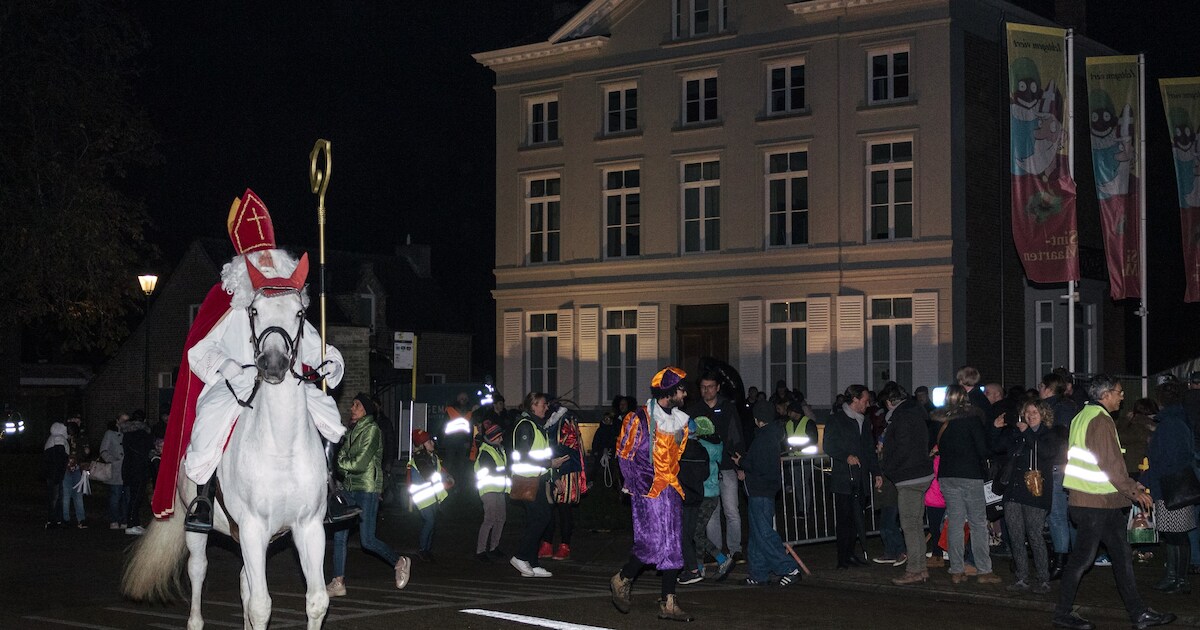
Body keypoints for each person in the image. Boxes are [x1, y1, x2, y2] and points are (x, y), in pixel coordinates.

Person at [151, 189, 354, 531]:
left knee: (328, 418)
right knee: (206, 431)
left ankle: (330, 490)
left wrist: (331, 361)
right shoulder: (227, 303)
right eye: (257, 257)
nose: (265, 261)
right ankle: (202, 499)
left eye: (268, 254)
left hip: (286, 381)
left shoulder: (285, 301)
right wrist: (228, 367)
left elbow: (311, 345)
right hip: (235, 384)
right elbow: (199, 350)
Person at [1052, 374, 1175, 630]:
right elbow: (1108, 463)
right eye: (1119, 391)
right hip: (1094, 504)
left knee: (1121, 557)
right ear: (1105, 394)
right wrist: (1133, 490)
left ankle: (1138, 613)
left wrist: (1132, 486)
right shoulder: (1099, 420)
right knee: (1082, 561)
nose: (1122, 396)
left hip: (1097, 502)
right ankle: (1062, 614)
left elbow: (1101, 463)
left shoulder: (1083, 416)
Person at [610, 366, 694, 622]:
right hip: (647, 490)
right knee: (651, 544)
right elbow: (624, 453)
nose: (685, 393)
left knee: (673, 545)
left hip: (670, 490)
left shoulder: (681, 422)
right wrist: (634, 484)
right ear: (669, 391)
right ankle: (622, 578)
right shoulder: (639, 418)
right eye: (681, 389)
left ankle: (668, 601)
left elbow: (676, 456)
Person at [327, 393, 410, 597]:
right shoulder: (351, 431)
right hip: (349, 488)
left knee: (367, 540)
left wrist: (341, 464)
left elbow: (357, 463)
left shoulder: (373, 430)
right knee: (340, 536)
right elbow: (343, 456)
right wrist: (343, 463)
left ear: (365, 410)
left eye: (356, 405)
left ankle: (399, 561)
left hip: (367, 489)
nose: (351, 408)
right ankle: (338, 582)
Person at [936, 384, 1001, 584]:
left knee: (955, 522)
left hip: (947, 475)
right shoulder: (972, 419)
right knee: (978, 523)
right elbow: (983, 450)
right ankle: (984, 570)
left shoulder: (940, 421)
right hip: (970, 475)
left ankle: (956, 569)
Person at [993, 398, 1057, 594]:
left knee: (1035, 535)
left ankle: (1044, 578)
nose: (1030, 415)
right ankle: (1021, 577)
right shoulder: (1016, 432)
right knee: (1015, 536)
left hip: (1035, 493)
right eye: (1027, 412)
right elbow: (995, 448)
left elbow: (1044, 453)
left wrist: (1026, 432)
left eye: (1034, 412)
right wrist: (995, 428)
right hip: (1013, 492)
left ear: (1043, 415)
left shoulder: (1049, 434)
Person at [735, 400, 801, 587]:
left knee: (763, 533)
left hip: (760, 490)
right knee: (757, 534)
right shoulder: (771, 435)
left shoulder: (763, 438)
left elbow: (757, 464)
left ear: (758, 419)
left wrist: (742, 463)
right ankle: (758, 573)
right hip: (763, 489)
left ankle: (789, 568)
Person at [1142, 380, 1197, 595]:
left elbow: (1163, 458)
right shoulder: (1177, 420)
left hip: (1171, 486)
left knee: (1176, 535)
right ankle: (1175, 577)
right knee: (1175, 534)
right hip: (1174, 484)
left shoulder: (1170, 423)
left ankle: (1177, 578)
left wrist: (1147, 479)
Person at [686, 371, 745, 565]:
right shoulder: (694, 410)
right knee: (711, 513)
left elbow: (737, 434)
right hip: (705, 470)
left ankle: (735, 549)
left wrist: (739, 459)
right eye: (703, 387)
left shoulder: (727, 408)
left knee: (731, 510)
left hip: (727, 466)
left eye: (710, 386)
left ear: (718, 387)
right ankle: (716, 552)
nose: (706, 390)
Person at [879, 383, 935, 586]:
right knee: (916, 524)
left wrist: (888, 467)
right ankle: (921, 568)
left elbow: (900, 448)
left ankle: (914, 570)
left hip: (909, 476)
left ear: (889, 402)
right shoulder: (916, 413)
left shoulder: (901, 418)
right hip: (921, 473)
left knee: (909, 525)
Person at [823, 384, 880, 568]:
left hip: (860, 477)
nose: (868, 404)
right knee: (844, 519)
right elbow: (829, 445)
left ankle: (851, 553)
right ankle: (843, 557)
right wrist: (845, 456)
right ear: (854, 399)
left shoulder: (864, 421)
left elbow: (869, 449)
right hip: (843, 479)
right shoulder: (837, 420)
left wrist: (876, 472)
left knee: (856, 518)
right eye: (865, 400)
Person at [509, 392, 563, 578]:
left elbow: (542, 456)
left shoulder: (536, 426)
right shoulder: (526, 426)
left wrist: (553, 476)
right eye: (543, 404)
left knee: (539, 519)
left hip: (537, 479)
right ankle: (521, 556)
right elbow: (524, 456)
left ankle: (532, 562)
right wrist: (550, 465)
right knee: (542, 517)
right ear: (532, 405)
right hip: (526, 480)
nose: (546, 407)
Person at [1041, 371, 1080, 579]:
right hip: (1067, 464)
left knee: (1057, 515)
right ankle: (1074, 558)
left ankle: (1061, 561)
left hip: (1056, 464)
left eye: (1041, 386)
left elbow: (1057, 437)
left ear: (1048, 388)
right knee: (1069, 514)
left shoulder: (1053, 409)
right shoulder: (1071, 406)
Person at [539, 402, 586, 561]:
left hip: (566, 470)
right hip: (551, 469)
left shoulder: (565, 420)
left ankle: (565, 545)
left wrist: (549, 456)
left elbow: (570, 445)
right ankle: (547, 543)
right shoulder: (548, 423)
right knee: (548, 508)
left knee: (564, 509)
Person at [408, 428, 450, 562]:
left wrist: (446, 476)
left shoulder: (432, 457)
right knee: (430, 521)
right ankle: (422, 549)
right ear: (421, 445)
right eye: (428, 441)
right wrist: (444, 478)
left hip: (431, 495)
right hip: (423, 496)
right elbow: (429, 475)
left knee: (431, 523)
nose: (432, 443)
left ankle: (426, 550)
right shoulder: (420, 459)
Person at [474, 419, 508, 562]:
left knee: (500, 518)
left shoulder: (497, 449)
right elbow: (491, 472)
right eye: (499, 436)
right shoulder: (486, 453)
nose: (502, 438)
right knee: (490, 520)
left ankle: (494, 547)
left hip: (498, 489)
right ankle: (481, 551)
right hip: (489, 490)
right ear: (494, 438)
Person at [121, 411, 153, 535]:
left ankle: (135, 522)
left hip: (129, 468)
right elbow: (148, 450)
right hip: (139, 469)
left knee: (133, 497)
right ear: (144, 420)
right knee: (136, 498)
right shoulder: (143, 434)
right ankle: (131, 523)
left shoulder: (127, 434)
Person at [100, 415, 127, 530]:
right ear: (117, 421)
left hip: (127, 469)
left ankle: (125, 519)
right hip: (115, 470)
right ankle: (114, 520)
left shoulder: (128, 434)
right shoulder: (109, 434)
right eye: (123, 420)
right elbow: (103, 450)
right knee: (115, 496)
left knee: (126, 496)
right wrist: (113, 460)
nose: (125, 422)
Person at [43, 422, 69, 529]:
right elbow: (60, 457)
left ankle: (54, 520)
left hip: (51, 473)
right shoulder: (59, 439)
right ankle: (54, 520)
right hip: (56, 473)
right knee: (56, 497)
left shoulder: (51, 438)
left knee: (54, 497)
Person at [62, 421, 88, 528]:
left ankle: (80, 519)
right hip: (66, 470)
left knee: (76, 495)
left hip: (76, 469)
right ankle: (67, 519)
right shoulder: (63, 440)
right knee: (67, 496)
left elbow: (84, 454)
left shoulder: (78, 440)